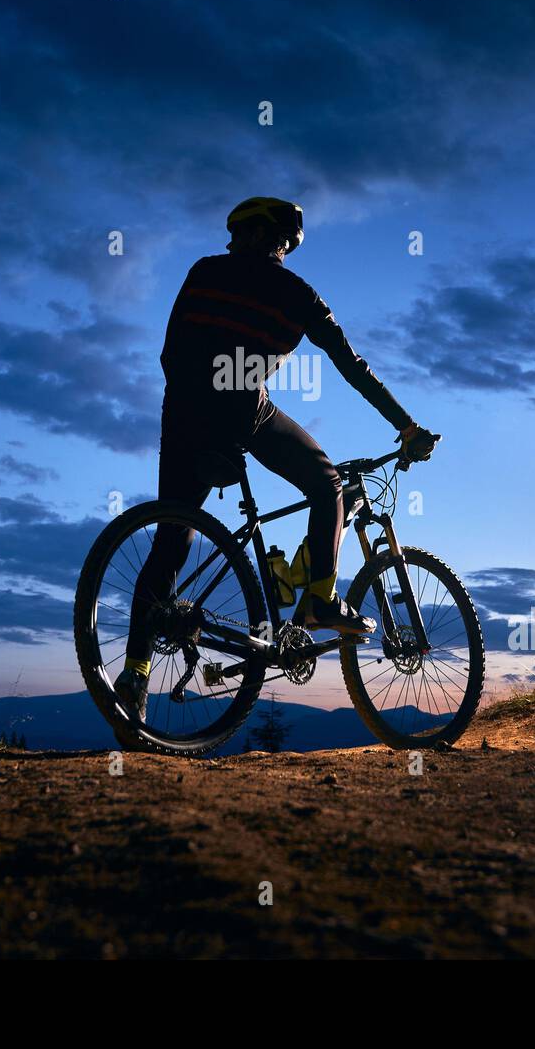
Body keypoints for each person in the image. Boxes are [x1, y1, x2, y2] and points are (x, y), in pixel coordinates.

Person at [116, 197, 437, 721]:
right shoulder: (296, 293)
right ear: (282, 243)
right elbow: (351, 365)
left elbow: (170, 355)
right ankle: (318, 598)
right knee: (326, 483)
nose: (230, 244)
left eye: (236, 235)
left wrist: (197, 414)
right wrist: (405, 425)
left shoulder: (204, 271)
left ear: (250, 235)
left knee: (173, 539)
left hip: (184, 418)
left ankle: (134, 675)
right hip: (246, 415)